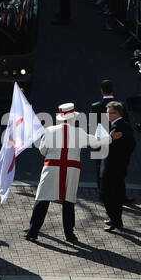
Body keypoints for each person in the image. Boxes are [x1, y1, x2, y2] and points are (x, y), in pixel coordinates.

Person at [26, 103, 105, 243]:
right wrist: (109, 136)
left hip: (51, 169)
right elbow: (97, 142)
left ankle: (33, 232)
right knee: (68, 202)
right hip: (71, 170)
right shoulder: (79, 132)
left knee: (42, 200)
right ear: (72, 118)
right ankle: (69, 234)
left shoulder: (50, 130)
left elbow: (43, 151)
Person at [99, 101, 134, 231]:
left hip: (114, 168)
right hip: (113, 166)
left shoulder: (120, 127)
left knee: (111, 195)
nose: (107, 115)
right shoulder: (116, 126)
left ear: (117, 113)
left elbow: (129, 146)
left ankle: (116, 221)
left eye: (109, 113)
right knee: (110, 193)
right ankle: (114, 218)